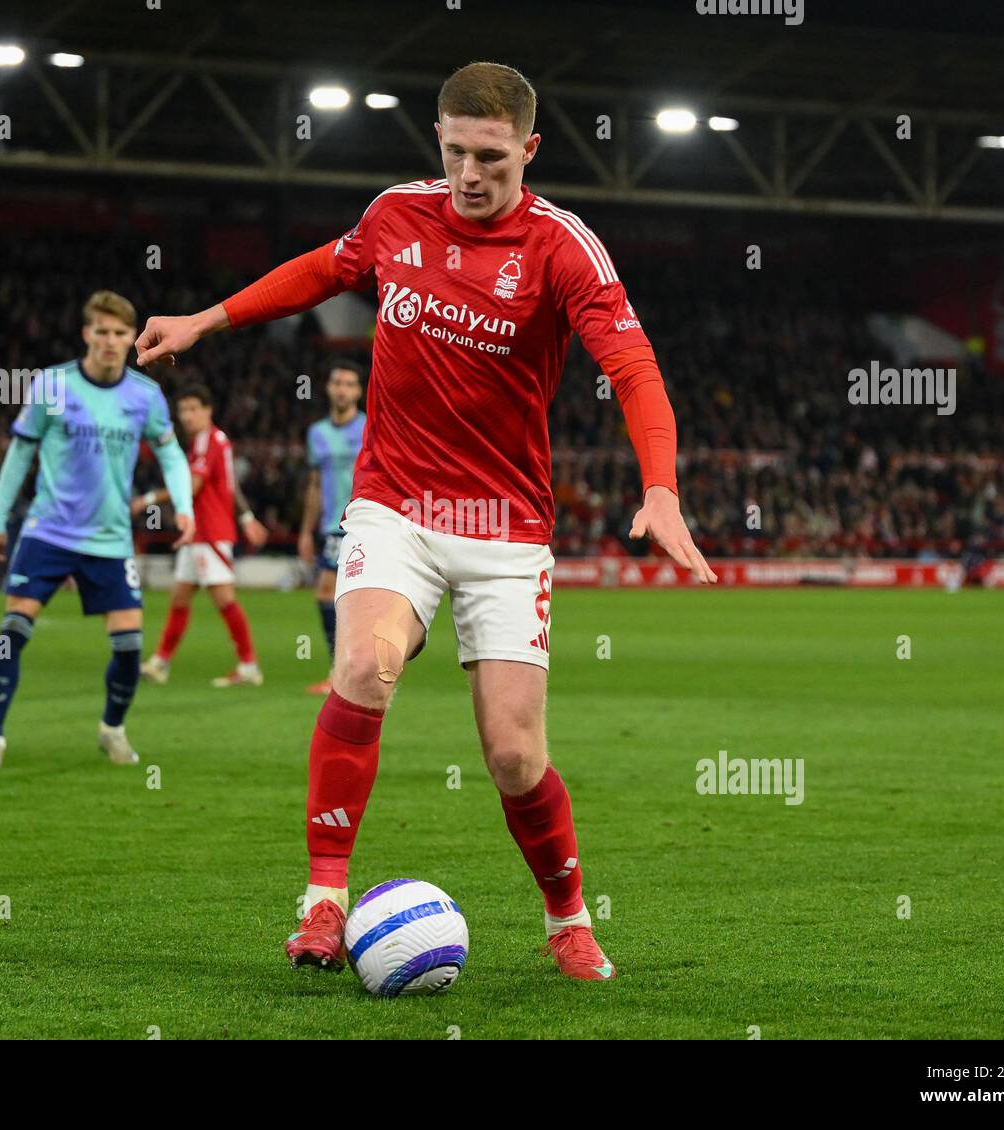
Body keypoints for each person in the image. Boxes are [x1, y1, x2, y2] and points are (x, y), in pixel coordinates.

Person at [134, 63, 716, 981]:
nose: (469, 175)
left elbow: (636, 371)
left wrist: (661, 488)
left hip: (506, 524)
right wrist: (208, 319)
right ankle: (324, 904)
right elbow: (322, 272)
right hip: (396, 504)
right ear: (436, 143)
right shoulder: (397, 215)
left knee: (515, 756)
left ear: (528, 149)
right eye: (453, 153)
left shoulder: (565, 249)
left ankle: (568, 917)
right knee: (364, 665)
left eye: (490, 156)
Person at [0, 290, 194, 769]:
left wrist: (183, 504)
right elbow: (20, 453)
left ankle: (112, 729)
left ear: (131, 337)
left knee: (130, 646)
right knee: (13, 631)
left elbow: (172, 453)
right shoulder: (53, 385)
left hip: (110, 540)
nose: (111, 342)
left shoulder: (146, 395)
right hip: (47, 534)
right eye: (102, 332)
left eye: (120, 333)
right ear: (86, 334)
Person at [139, 384, 269, 688]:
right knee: (180, 597)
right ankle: (161, 662)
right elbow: (230, 486)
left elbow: (192, 487)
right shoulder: (217, 440)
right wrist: (247, 517)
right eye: (182, 410)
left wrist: (146, 501)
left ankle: (249, 665)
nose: (187, 416)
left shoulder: (207, 441)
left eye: (193, 409)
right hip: (200, 532)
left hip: (210, 532)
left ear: (208, 410)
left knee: (224, 599)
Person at [297, 360, 366, 694]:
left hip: (364, 523)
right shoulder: (317, 433)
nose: (342, 389)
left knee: (338, 595)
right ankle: (346, 671)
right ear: (327, 387)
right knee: (333, 595)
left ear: (359, 391)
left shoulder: (370, 428)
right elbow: (314, 485)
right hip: (332, 528)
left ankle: (344, 672)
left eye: (349, 384)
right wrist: (305, 532)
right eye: (337, 382)